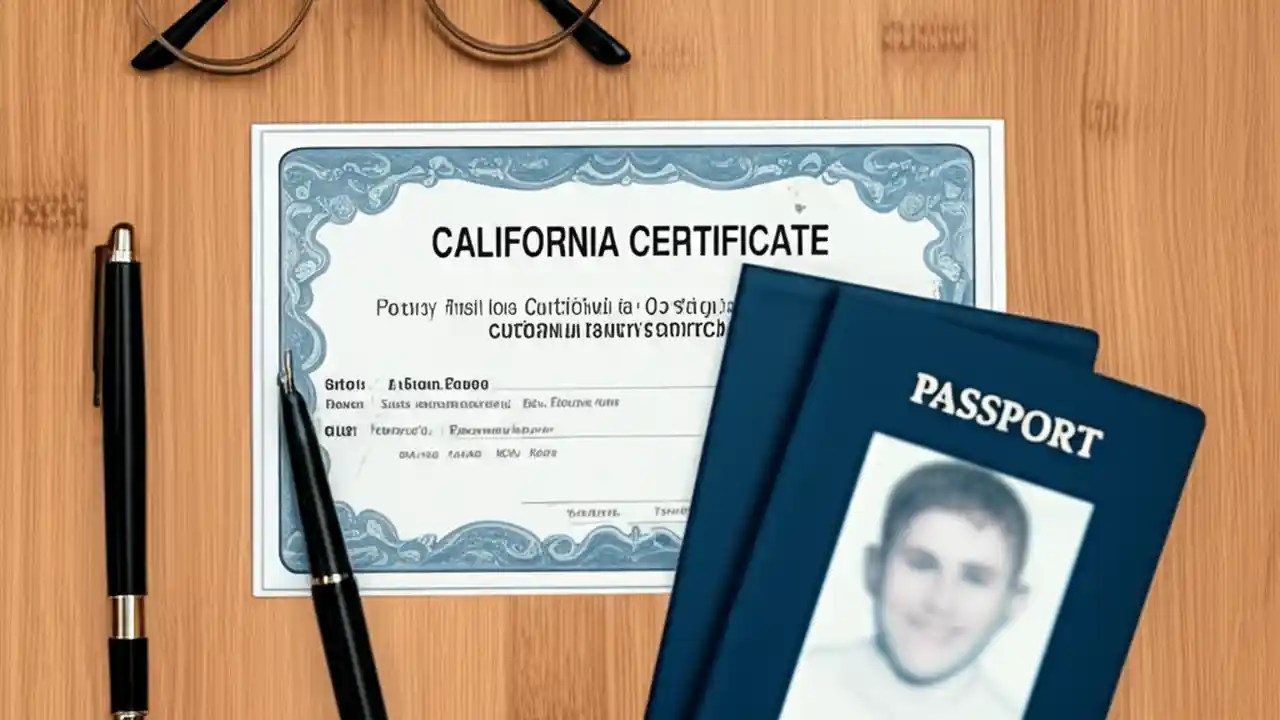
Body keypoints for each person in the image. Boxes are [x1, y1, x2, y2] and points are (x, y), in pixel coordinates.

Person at [781, 461, 1031, 720]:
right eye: (921, 565)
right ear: (874, 567)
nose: (941, 602)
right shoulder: (795, 680)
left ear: (1014, 603)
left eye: (975, 579)